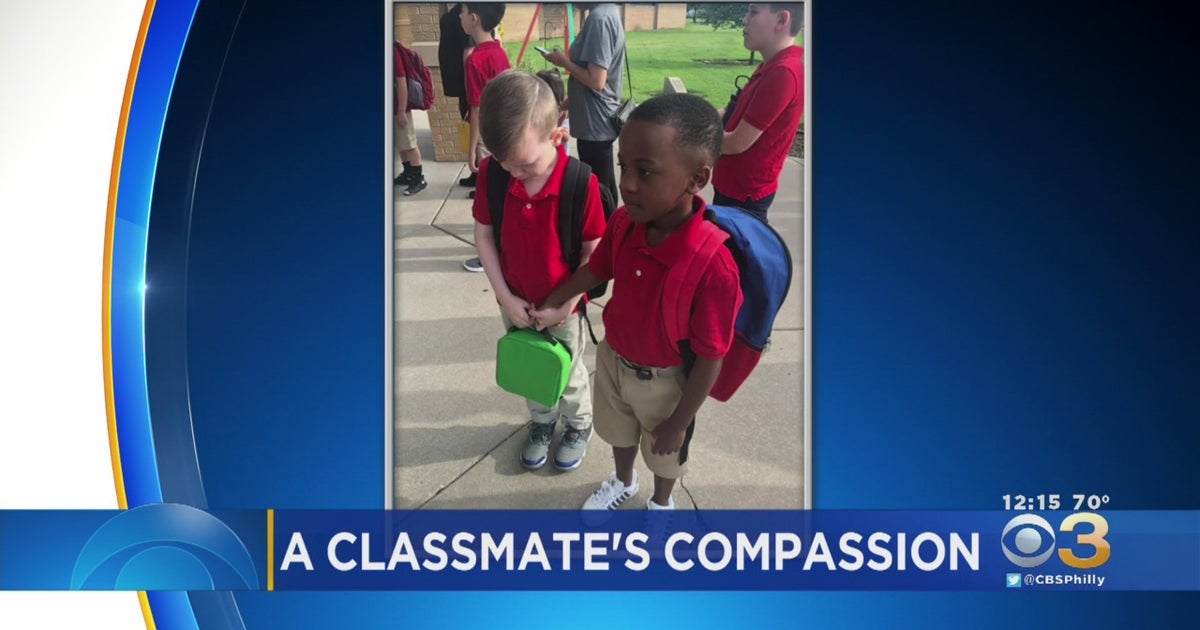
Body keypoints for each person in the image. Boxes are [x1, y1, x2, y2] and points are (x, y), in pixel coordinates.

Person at [532, 94, 742, 511]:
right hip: (614, 360)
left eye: (645, 172)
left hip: (666, 383)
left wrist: (680, 422)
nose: (626, 183)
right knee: (619, 434)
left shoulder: (713, 264)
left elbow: (711, 357)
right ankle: (623, 482)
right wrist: (552, 300)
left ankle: (662, 504)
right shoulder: (626, 222)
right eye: (623, 165)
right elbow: (597, 270)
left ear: (697, 179)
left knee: (665, 453)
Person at [472, 71, 607, 472]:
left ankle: (579, 423)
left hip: (563, 305)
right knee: (532, 368)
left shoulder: (579, 183)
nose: (513, 173)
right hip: (515, 301)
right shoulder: (494, 176)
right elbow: (483, 237)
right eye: (502, 162)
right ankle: (542, 422)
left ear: (556, 135)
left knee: (567, 373)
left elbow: (592, 254)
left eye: (524, 164)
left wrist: (567, 304)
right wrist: (505, 297)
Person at [712, 3, 804, 223]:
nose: (745, 20)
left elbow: (736, 143)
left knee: (737, 256)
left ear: (782, 20)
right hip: (733, 186)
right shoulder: (771, 64)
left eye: (753, 12)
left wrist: (687, 139)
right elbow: (730, 110)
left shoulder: (784, 72)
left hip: (744, 196)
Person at [542, 3, 624, 209]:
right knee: (604, 184)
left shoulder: (599, 19)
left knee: (599, 190)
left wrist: (564, 62)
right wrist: (566, 104)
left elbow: (597, 80)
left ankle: (606, 234)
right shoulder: (607, 12)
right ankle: (611, 230)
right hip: (596, 120)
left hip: (595, 122)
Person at [460, 3, 510, 273]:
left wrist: (471, 148)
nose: (459, 16)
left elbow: (477, 107)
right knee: (502, 193)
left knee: (489, 201)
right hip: (506, 135)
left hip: (488, 137)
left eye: (462, 11)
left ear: (474, 19)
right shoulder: (499, 53)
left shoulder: (475, 60)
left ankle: (492, 253)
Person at [393, 41, 427, 196]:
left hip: (398, 108)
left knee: (409, 143)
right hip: (392, 108)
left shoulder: (393, 51)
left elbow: (401, 82)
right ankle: (408, 172)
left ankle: (418, 179)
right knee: (401, 143)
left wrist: (401, 110)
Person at [536, 69, 569, 156]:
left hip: (558, 156)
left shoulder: (561, 110)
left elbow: (566, 137)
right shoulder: (537, 109)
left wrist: (559, 123)